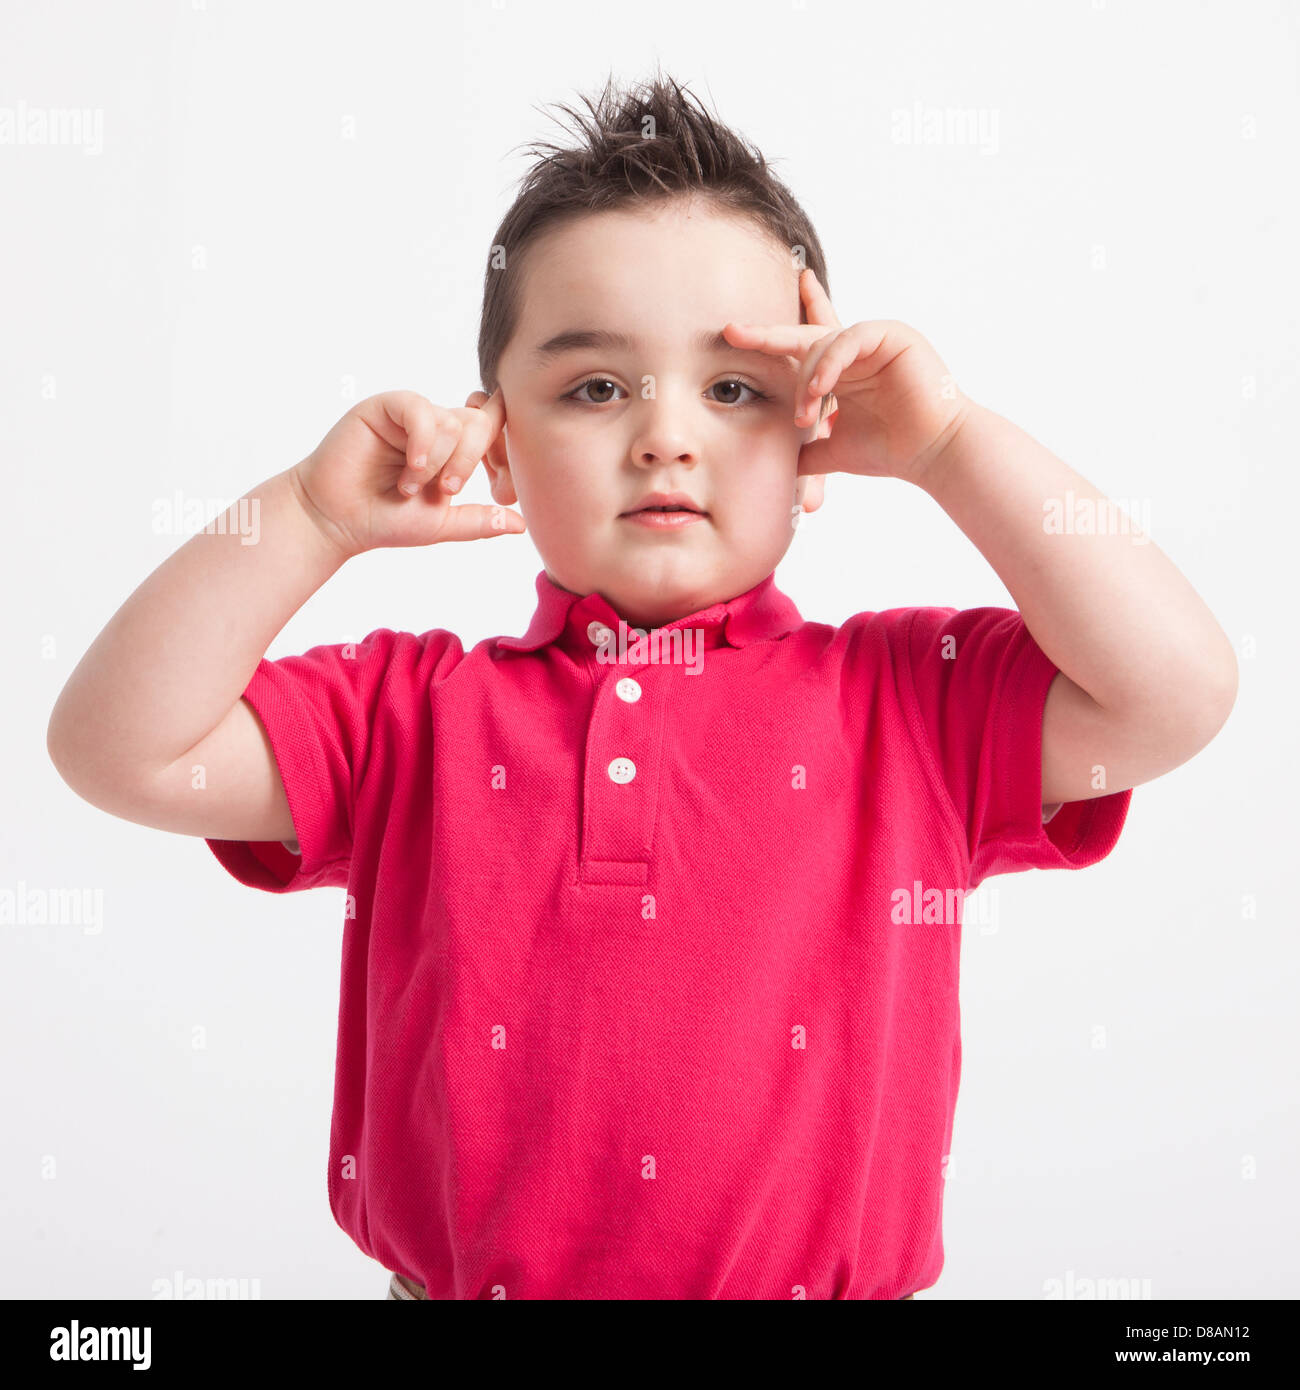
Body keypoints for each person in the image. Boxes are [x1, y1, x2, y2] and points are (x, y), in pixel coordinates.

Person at [46, 70, 1238, 1300]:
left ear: (817, 445)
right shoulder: (407, 716)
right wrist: (303, 515)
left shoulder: (909, 702)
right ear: (497, 447)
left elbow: (1174, 693)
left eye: (736, 391)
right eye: (595, 386)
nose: (667, 433)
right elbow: (118, 748)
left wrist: (947, 446)